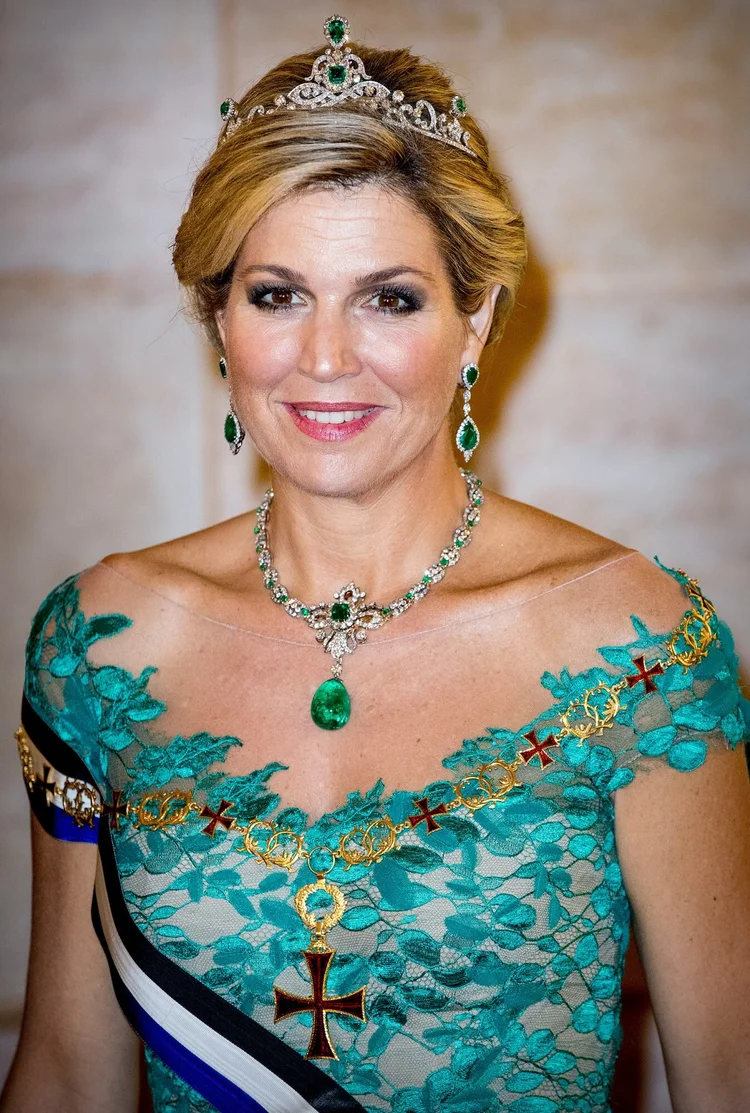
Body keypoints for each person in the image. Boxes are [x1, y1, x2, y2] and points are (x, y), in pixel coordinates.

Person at [2, 14, 749, 1113]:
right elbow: (68, 1070)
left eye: (389, 299)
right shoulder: (104, 642)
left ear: (478, 322)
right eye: (277, 294)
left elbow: (732, 1074)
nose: (325, 358)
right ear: (218, 318)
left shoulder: (636, 651)